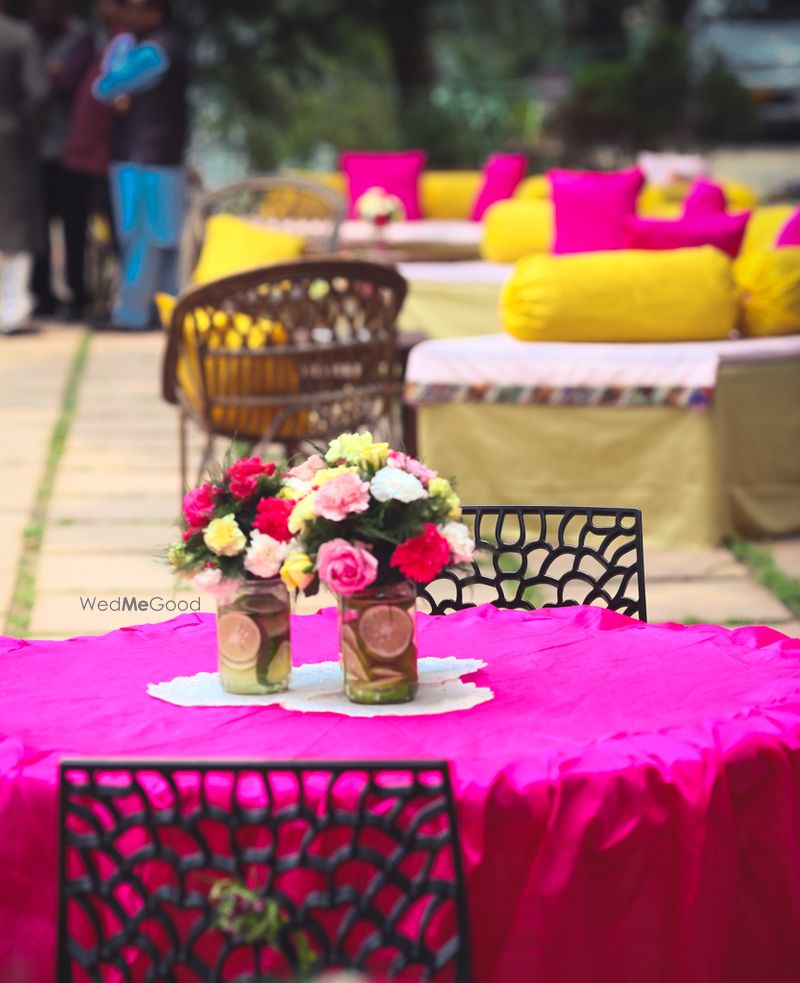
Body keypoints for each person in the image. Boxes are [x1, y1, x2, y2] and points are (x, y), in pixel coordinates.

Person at [93, 0, 189, 331]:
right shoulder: (162, 45)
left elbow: (104, 87)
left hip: (146, 159)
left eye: (136, 9)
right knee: (159, 238)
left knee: (143, 237)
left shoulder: (152, 51)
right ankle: (165, 310)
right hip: (158, 157)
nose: (128, 15)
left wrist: (117, 60)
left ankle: (133, 314)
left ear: (155, 12)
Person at [31, 0, 93, 319]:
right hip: (33, 151)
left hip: (70, 151)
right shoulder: (28, 35)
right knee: (37, 226)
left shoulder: (79, 36)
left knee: (74, 227)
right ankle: (42, 295)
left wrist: (44, 73)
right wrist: (50, 71)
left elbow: (67, 83)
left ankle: (78, 295)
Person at [62, 0, 123, 319]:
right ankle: (80, 298)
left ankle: (117, 302)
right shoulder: (91, 37)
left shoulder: (127, 39)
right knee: (77, 231)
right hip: (80, 153)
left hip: (105, 156)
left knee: (115, 236)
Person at [0, 0, 48, 334]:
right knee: (16, 219)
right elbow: (38, 92)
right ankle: (12, 311)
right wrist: (33, 133)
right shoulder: (19, 36)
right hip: (10, 137)